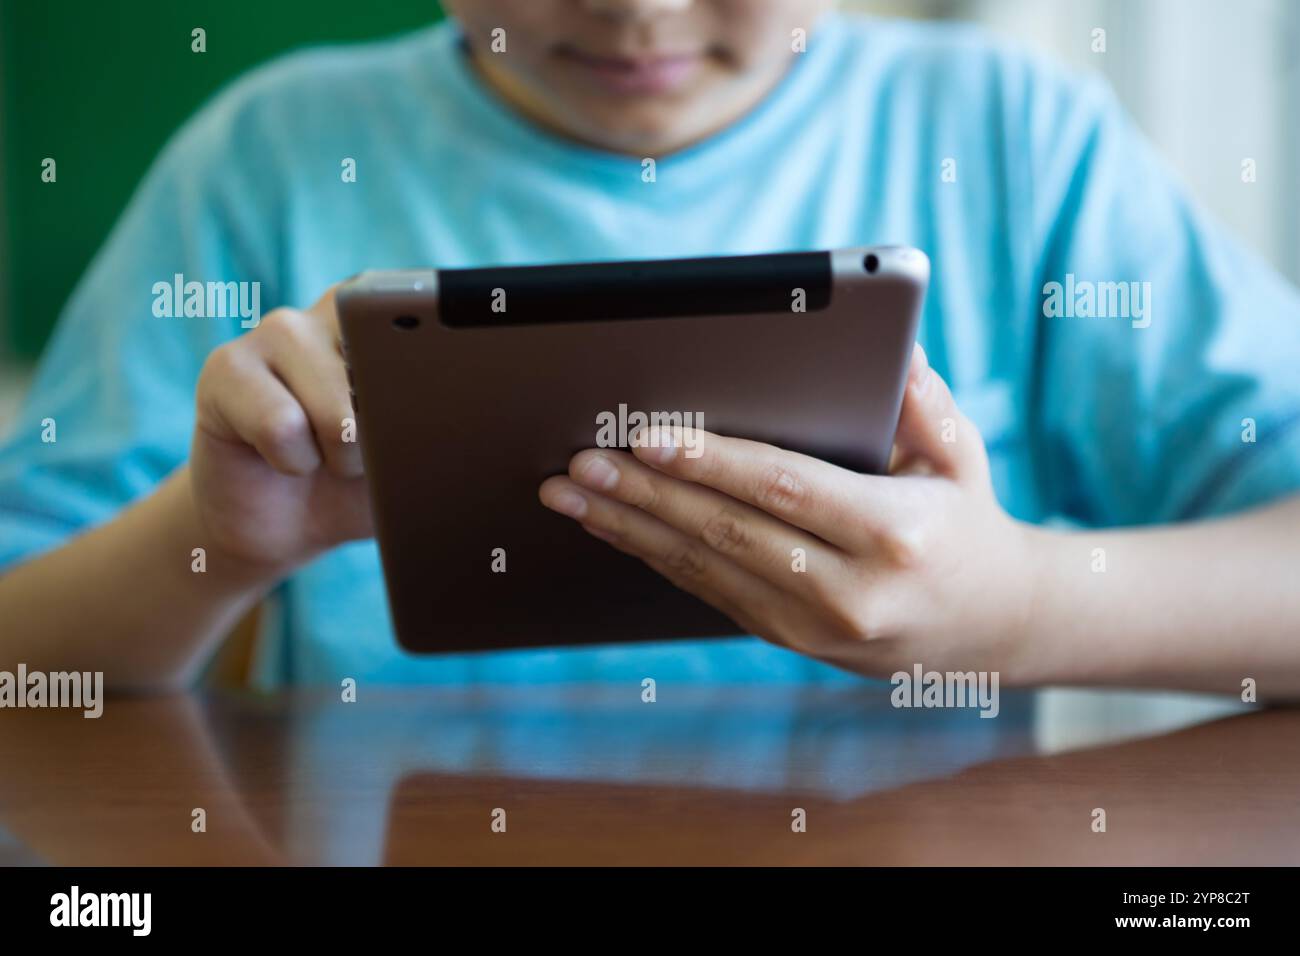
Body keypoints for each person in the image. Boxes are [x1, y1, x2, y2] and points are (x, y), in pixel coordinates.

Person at [1, 0, 1297, 694]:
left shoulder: (1019, 138)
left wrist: (1019, 607)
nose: (637, 9)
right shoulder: (265, 158)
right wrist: (216, 540)